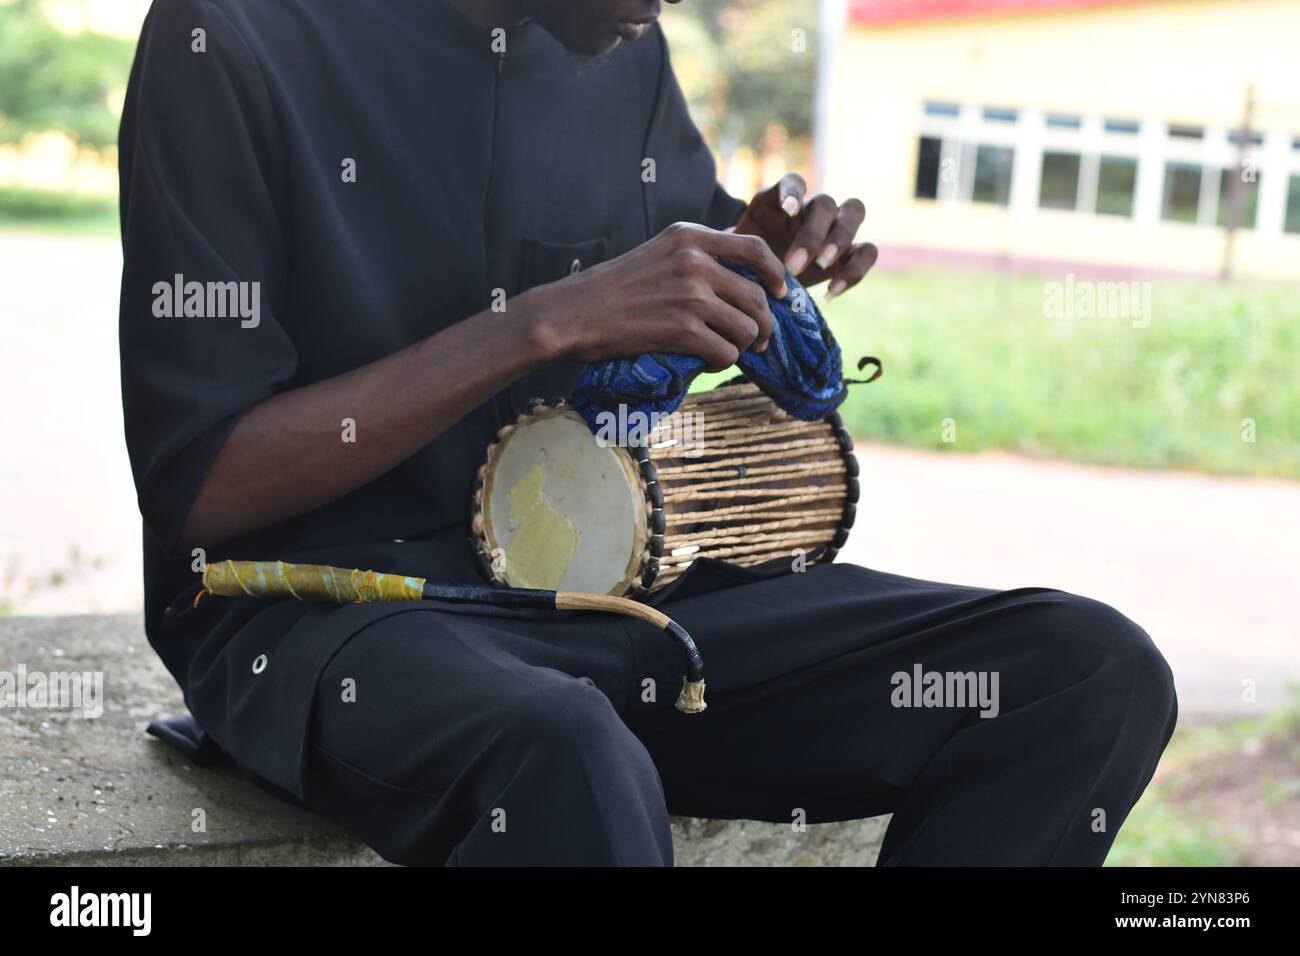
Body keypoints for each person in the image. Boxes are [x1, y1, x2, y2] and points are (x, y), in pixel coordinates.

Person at [117, 0, 1177, 866]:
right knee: (565, 747)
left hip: (607, 590)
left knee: (1083, 670)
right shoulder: (230, 34)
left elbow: (660, 276)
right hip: (317, 613)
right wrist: (543, 322)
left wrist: (754, 255)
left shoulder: (620, 44)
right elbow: (204, 483)